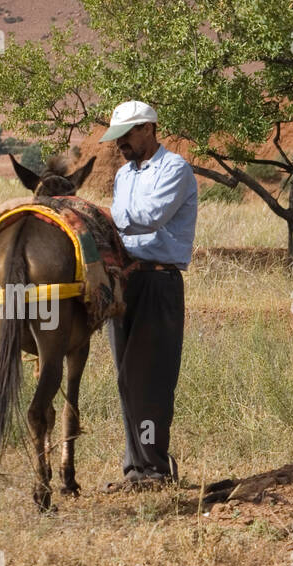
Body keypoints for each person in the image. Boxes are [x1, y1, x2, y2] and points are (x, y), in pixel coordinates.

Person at [99, 100, 198, 491]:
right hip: (126, 281)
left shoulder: (175, 169)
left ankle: (154, 470)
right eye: (117, 137)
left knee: (150, 377)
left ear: (148, 129)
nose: (119, 144)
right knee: (127, 378)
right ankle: (135, 470)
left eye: (126, 135)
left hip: (158, 282)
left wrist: (106, 218)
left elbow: (151, 215)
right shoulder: (124, 175)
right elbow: (127, 224)